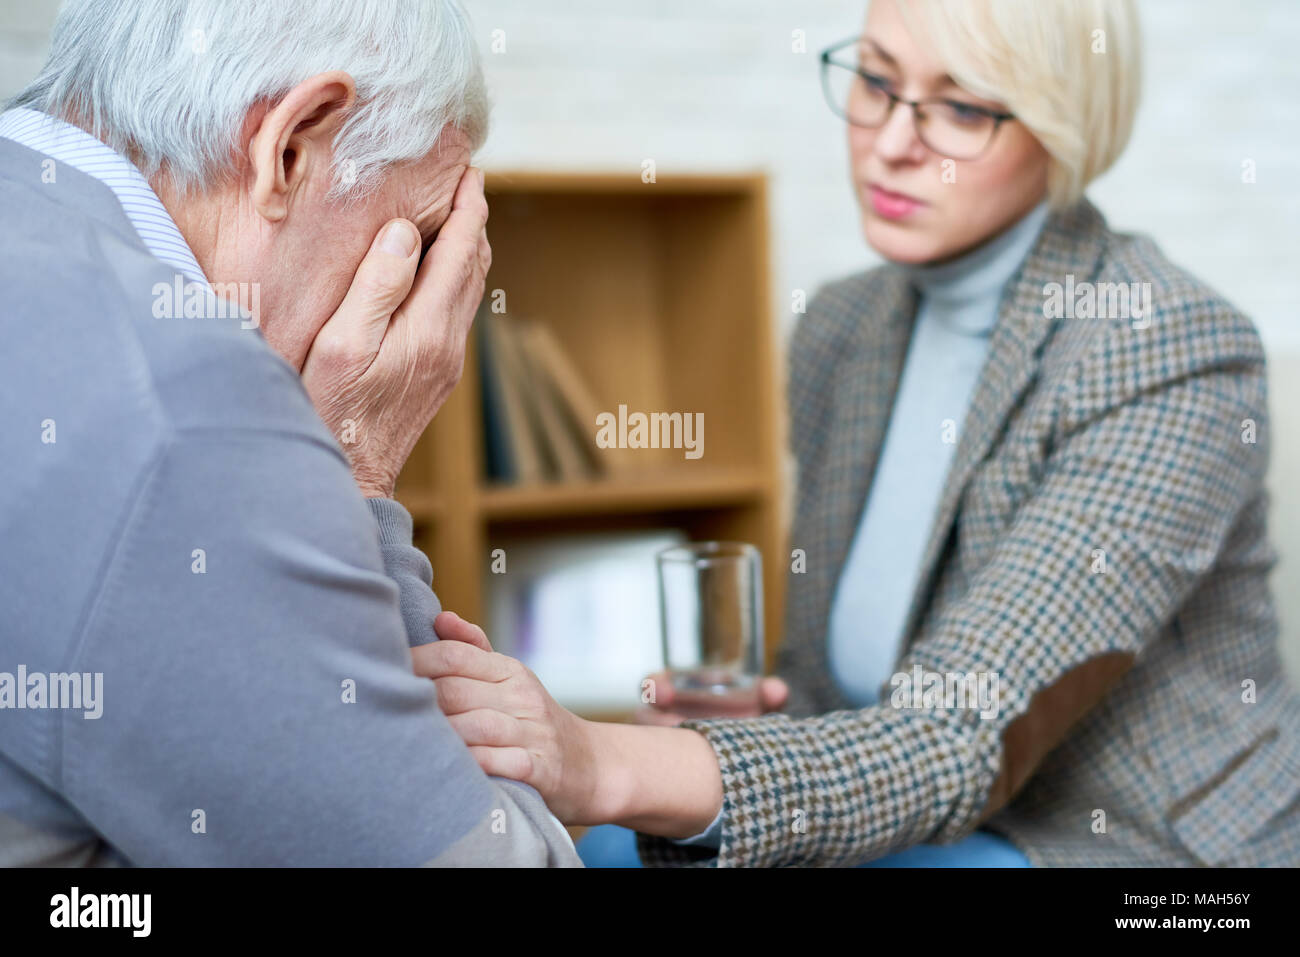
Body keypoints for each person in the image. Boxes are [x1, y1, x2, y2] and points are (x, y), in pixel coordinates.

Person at [417, 0, 1300, 867]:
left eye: (960, 108)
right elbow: (825, 679)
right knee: (617, 849)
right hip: (935, 817)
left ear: (1065, 126)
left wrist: (601, 759)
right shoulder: (843, 329)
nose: (890, 141)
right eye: (876, 83)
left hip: (1133, 850)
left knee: (617, 834)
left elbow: (954, 736)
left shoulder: (1166, 345)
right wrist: (738, 739)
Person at [0, 0, 578, 866]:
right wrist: (356, 469)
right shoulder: (190, 410)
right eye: (420, 238)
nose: (426, 309)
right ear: (294, 144)